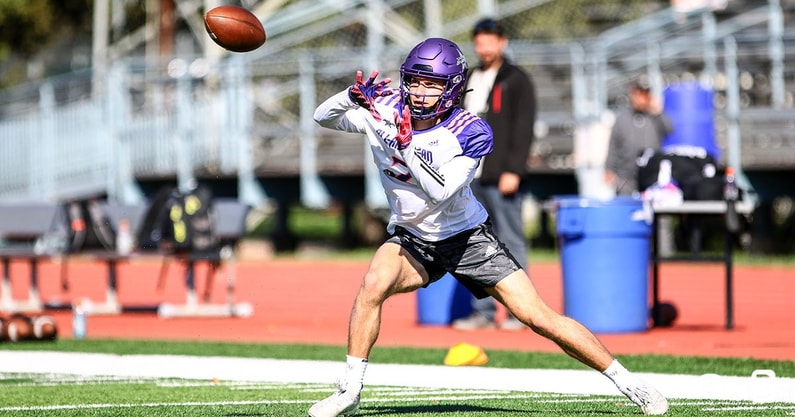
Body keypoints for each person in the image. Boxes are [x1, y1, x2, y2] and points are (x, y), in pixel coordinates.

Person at [308, 38, 669, 417]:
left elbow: (441, 193)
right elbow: (323, 117)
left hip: (467, 238)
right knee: (373, 284)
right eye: (414, 81)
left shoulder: (470, 130)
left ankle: (631, 383)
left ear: (451, 87)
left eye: (431, 84)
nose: (419, 91)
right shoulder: (386, 108)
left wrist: (408, 145)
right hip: (413, 237)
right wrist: (349, 95)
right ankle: (349, 391)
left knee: (537, 317)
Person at [452, 17, 536, 331]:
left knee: (512, 241)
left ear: (502, 42)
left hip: (503, 174)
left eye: (489, 40)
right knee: (474, 243)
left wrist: (514, 169)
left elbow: (523, 128)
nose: (483, 46)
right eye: (479, 40)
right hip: (470, 176)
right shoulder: (470, 76)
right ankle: (484, 312)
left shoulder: (516, 79)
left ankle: (520, 312)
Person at [604, 75, 673, 196]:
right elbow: (613, 145)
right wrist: (609, 168)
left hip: (652, 174)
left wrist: (658, 112)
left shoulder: (655, 117)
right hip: (626, 177)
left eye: (644, 94)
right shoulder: (622, 118)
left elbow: (669, 130)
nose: (640, 98)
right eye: (638, 94)